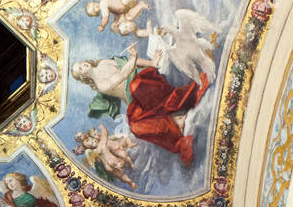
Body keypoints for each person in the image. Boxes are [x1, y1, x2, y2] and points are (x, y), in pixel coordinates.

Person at [71, 45, 210, 165]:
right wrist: (133, 57)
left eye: (81, 64)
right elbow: (122, 75)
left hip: (143, 82)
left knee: (135, 85)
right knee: (136, 126)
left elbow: (128, 63)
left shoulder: (103, 63)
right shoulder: (100, 85)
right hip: (134, 100)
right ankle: (179, 141)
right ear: (83, 77)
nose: (83, 66)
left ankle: (193, 95)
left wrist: (152, 62)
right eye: (80, 69)